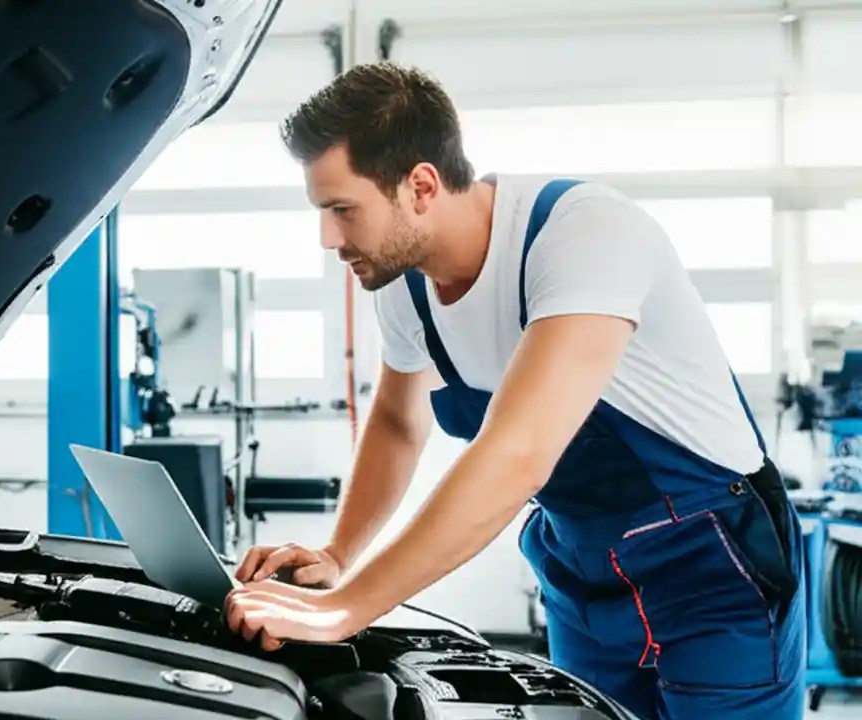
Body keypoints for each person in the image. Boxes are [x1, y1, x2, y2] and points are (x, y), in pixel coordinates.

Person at [224, 62, 806, 720]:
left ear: (421, 186)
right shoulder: (404, 282)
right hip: (583, 569)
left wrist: (345, 609)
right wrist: (338, 556)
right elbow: (396, 423)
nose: (329, 239)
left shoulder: (584, 233)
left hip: (710, 565)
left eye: (342, 210)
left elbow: (519, 452)